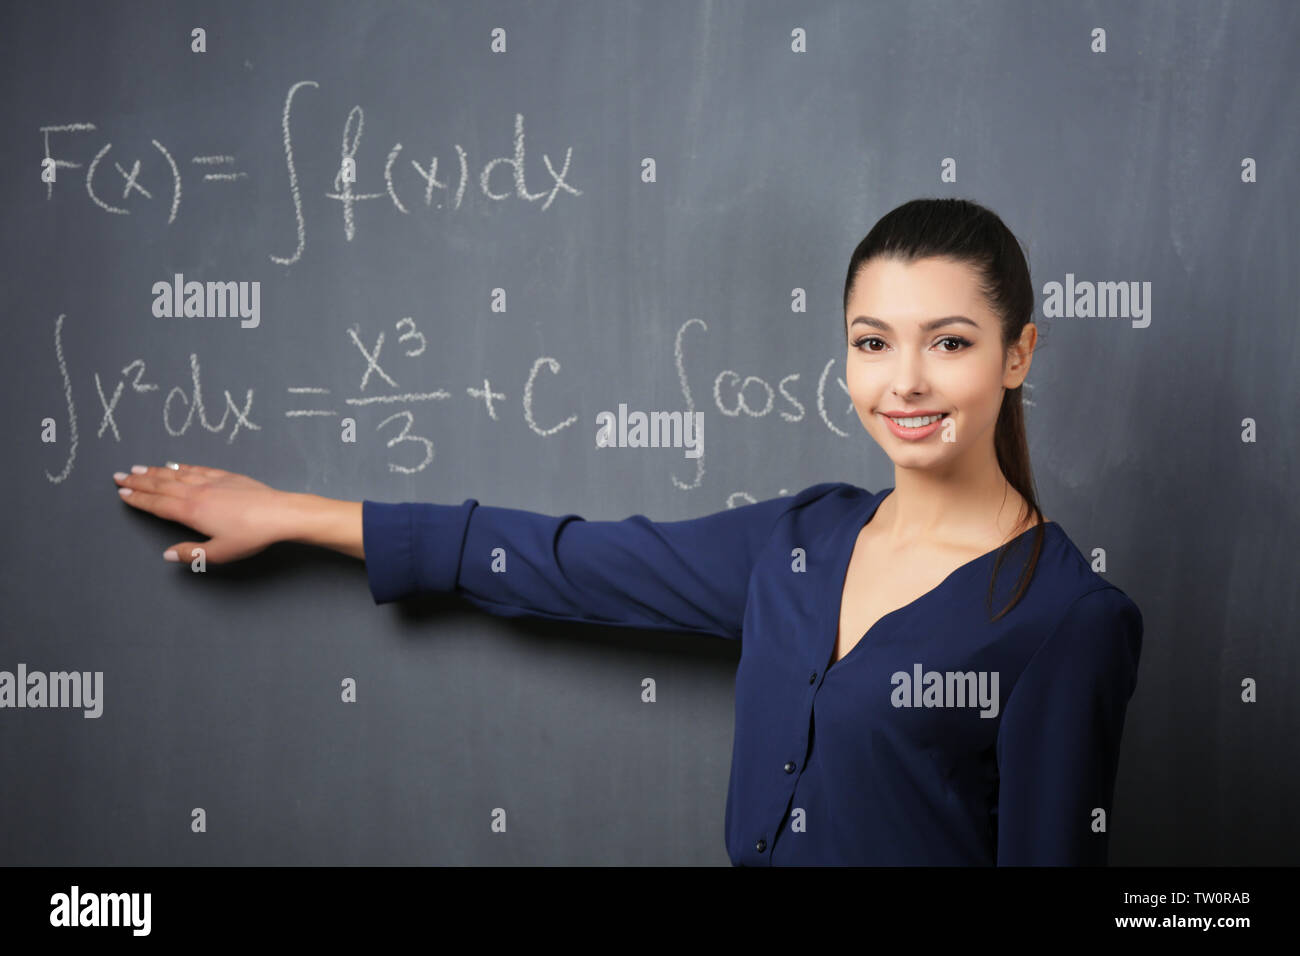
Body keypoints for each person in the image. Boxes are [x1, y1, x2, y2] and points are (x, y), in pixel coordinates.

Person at [112, 197, 1143, 866]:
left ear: (1016, 355)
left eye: (949, 341)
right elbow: (563, 560)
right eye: (872, 342)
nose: (904, 380)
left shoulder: (1066, 617)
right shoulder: (798, 541)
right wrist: (283, 514)